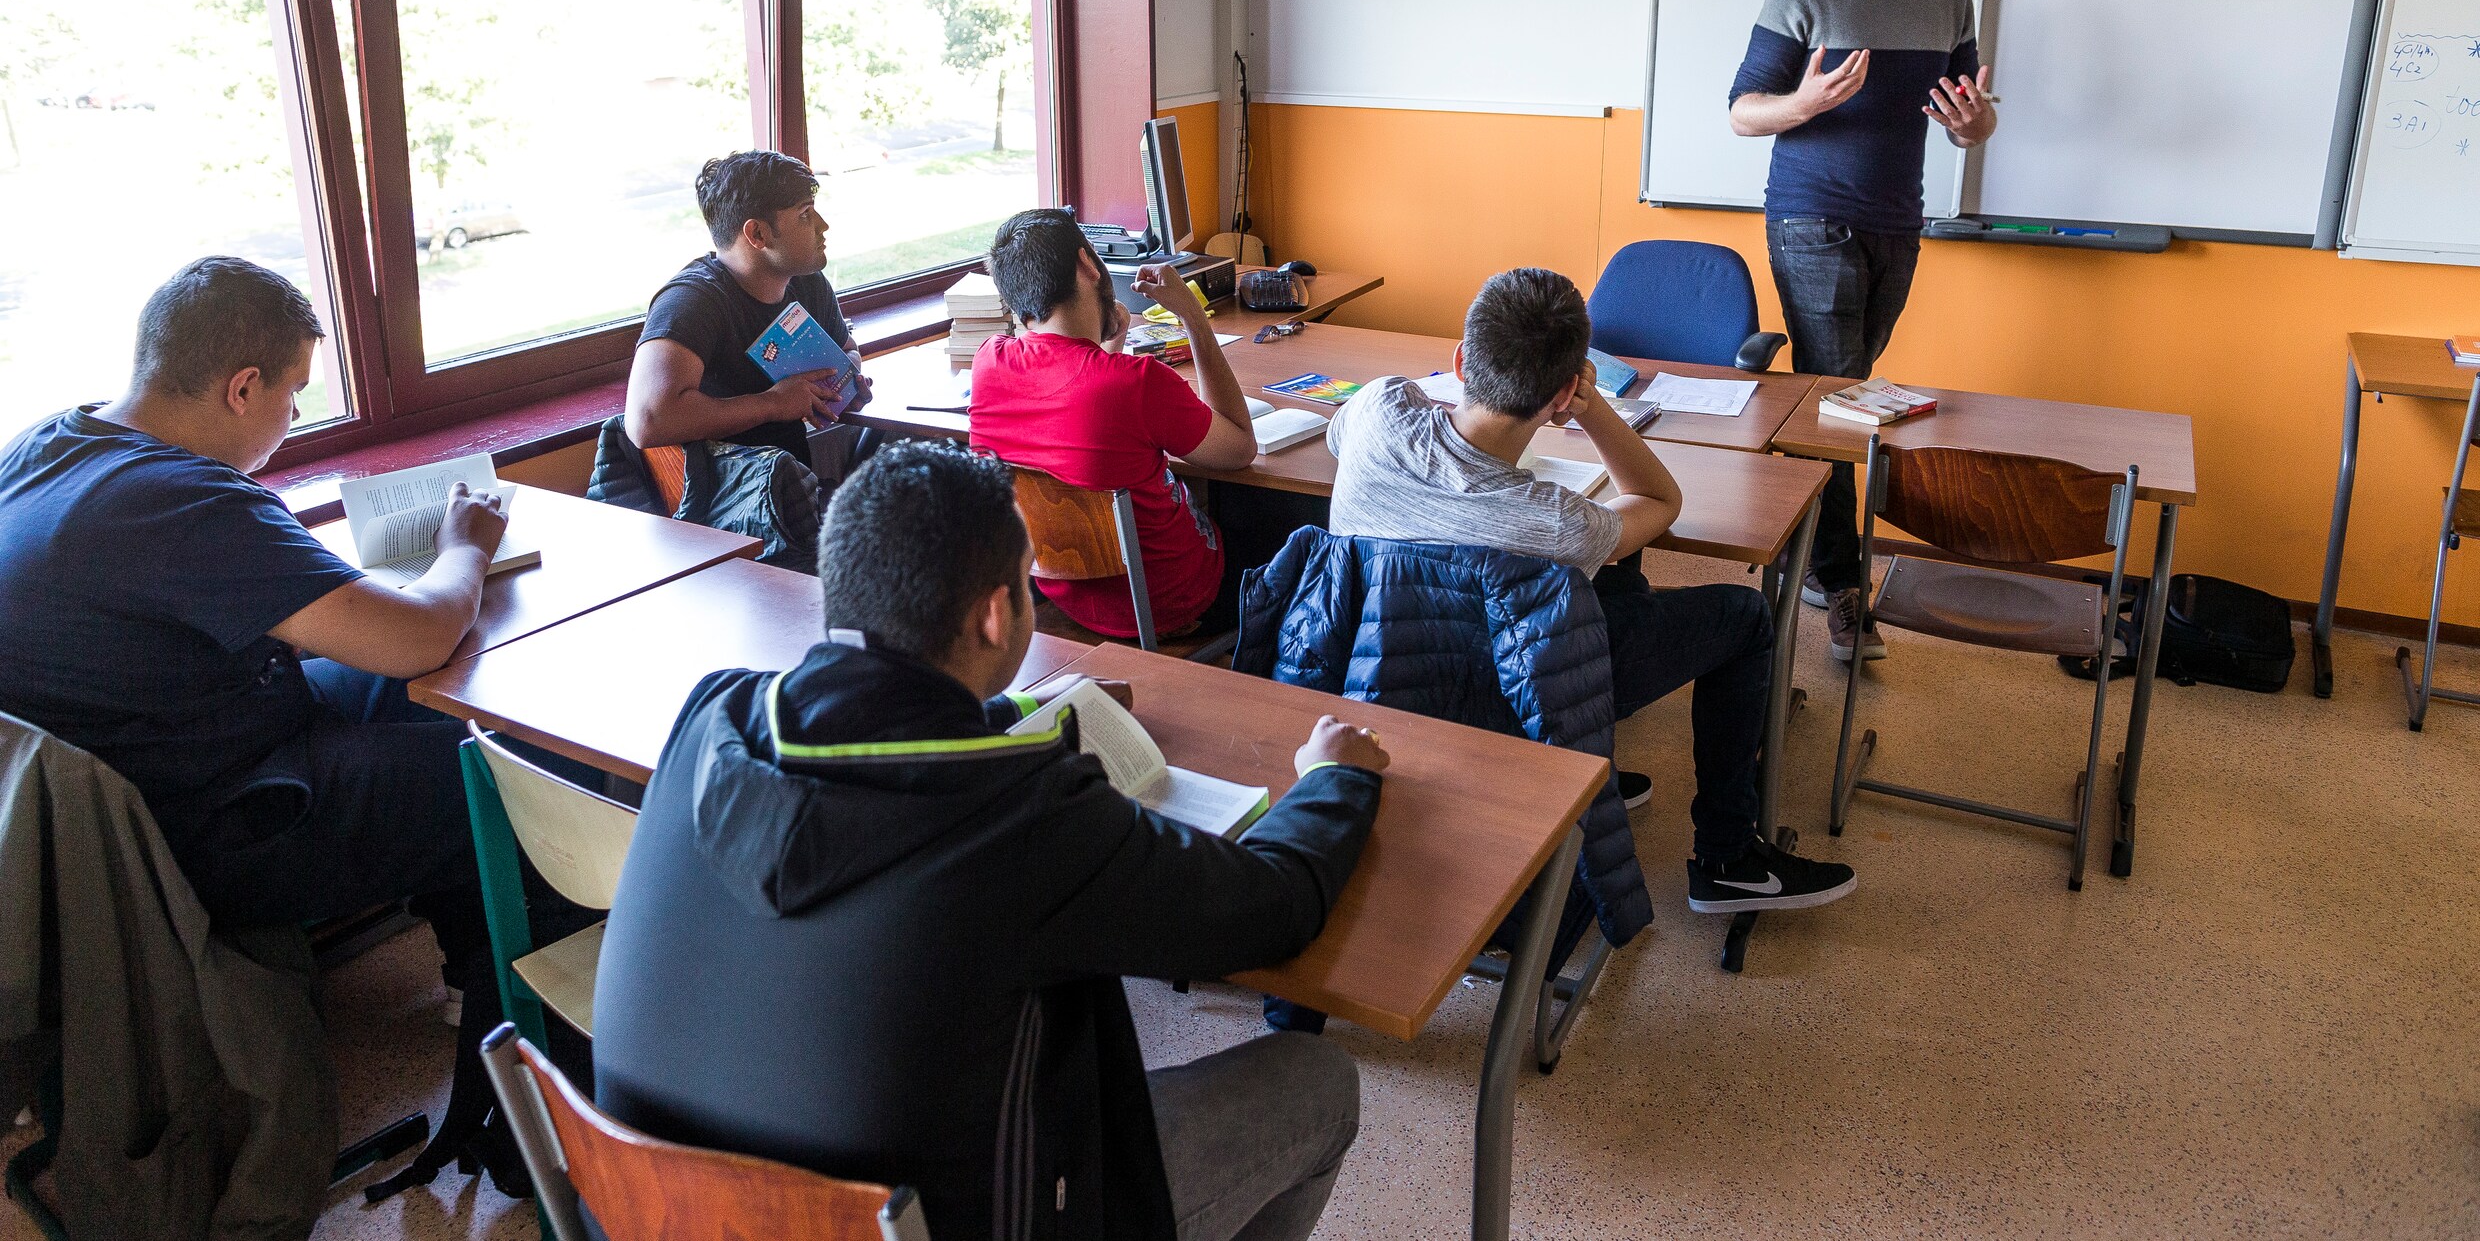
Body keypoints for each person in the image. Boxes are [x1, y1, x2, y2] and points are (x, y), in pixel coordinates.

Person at [593, 440, 1387, 1241]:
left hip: (671, 1214)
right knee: (1316, 1080)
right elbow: (1274, 907)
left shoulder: (715, 715)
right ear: (997, 613)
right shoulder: (1026, 815)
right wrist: (1333, 779)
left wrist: (1015, 715)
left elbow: (871, 741)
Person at [0, 256, 529, 1185]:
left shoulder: (48, 447)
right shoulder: (178, 500)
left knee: (440, 714)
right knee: (509, 773)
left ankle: (470, 969)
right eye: (292, 397)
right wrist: (464, 547)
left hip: (134, 789)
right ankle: (532, 1085)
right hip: (208, 831)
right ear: (243, 387)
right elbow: (417, 634)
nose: (293, 423)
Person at [1323, 266, 1855, 916]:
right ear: (1562, 394)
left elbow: (1334, 437)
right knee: (1744, 614)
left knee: (1614, 571)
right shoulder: (1557, 522)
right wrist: (1594, 406)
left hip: (1381, 679)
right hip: (1514, 699)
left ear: (1461, 361)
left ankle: (1592, 771)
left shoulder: (1379, 408)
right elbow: (1659, 499)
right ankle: (1728, 857)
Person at [1727, 0, 1999, 663]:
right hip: (1810, 217)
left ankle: (1802, 539)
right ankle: (1841, 586)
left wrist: (1975, 126)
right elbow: (1742, 110)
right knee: (1842, 397)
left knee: (1841, 389)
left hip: (1897, 221)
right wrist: (1803, 101)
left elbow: (1971, 115)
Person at [968, 207, 1264, 640]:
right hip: (1170, 600)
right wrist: (1193, 319)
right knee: (1280, 522)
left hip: (1066, 594)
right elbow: (1240, 448)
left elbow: (1075, 401)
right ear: (1089, 264)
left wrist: (1110, 348)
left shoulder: (988, 362)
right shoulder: (1137, 384)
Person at [626, 149, 872, 473]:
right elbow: (647, 421)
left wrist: (843, 383)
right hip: (722, 504)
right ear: (757, 234)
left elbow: (847, 350)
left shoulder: (806, 281)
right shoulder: (692, 302)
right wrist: (774, 403)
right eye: (804, 214)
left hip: (791, 488)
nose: (822, 225)